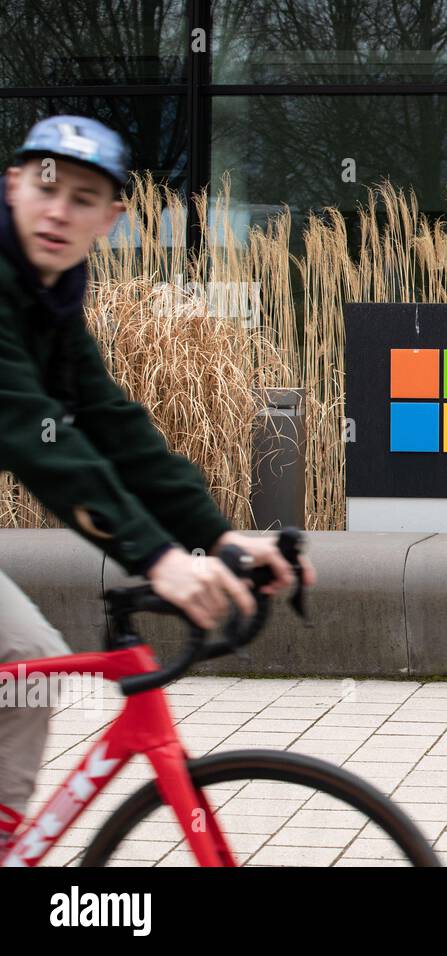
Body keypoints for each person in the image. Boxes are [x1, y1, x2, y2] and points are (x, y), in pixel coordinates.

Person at [0, 116, 316, 856]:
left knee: (30, 672)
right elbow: (36, 435)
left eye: (83, 199)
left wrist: (218, 536)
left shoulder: (49, 295)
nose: (58, 211)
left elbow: (112, 426)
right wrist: (160, 559)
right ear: (12, 185)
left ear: (110, 221)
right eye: (45, 188)